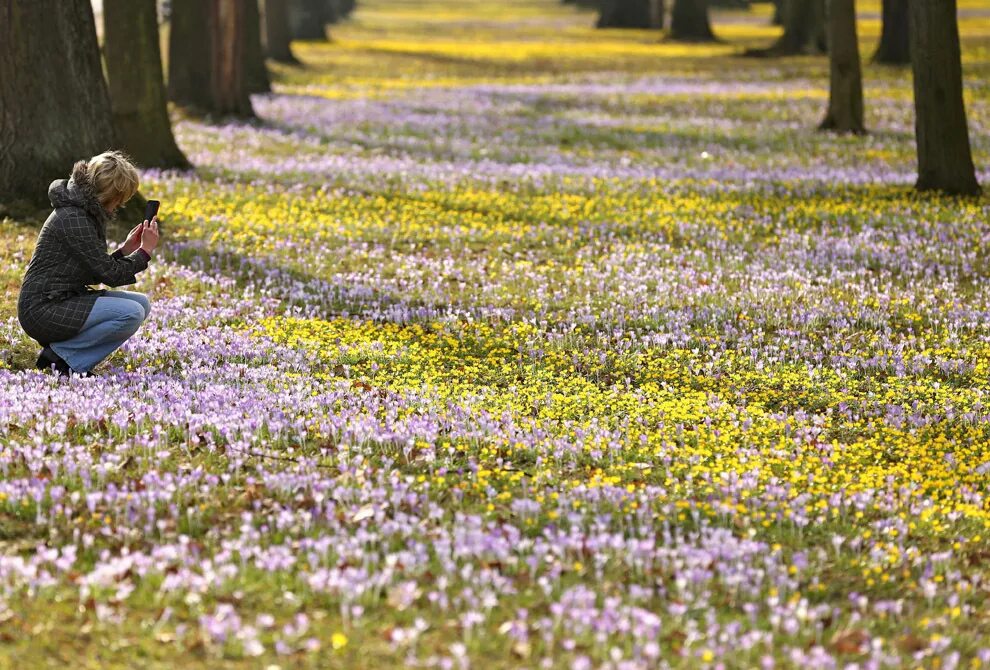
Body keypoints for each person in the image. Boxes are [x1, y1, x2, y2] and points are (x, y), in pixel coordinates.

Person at [17, 151, 160, 377]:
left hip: (62, 299)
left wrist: (126, 250)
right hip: (42, 309)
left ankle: (62, 355)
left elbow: (93, 271)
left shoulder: (82, 212)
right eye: (119, 199)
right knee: (130, 313)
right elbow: (110, 276)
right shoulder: (74, 218)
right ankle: (64, 360)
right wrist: (145, 252)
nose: (120, 205)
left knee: (141, 304)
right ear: (107, 194)